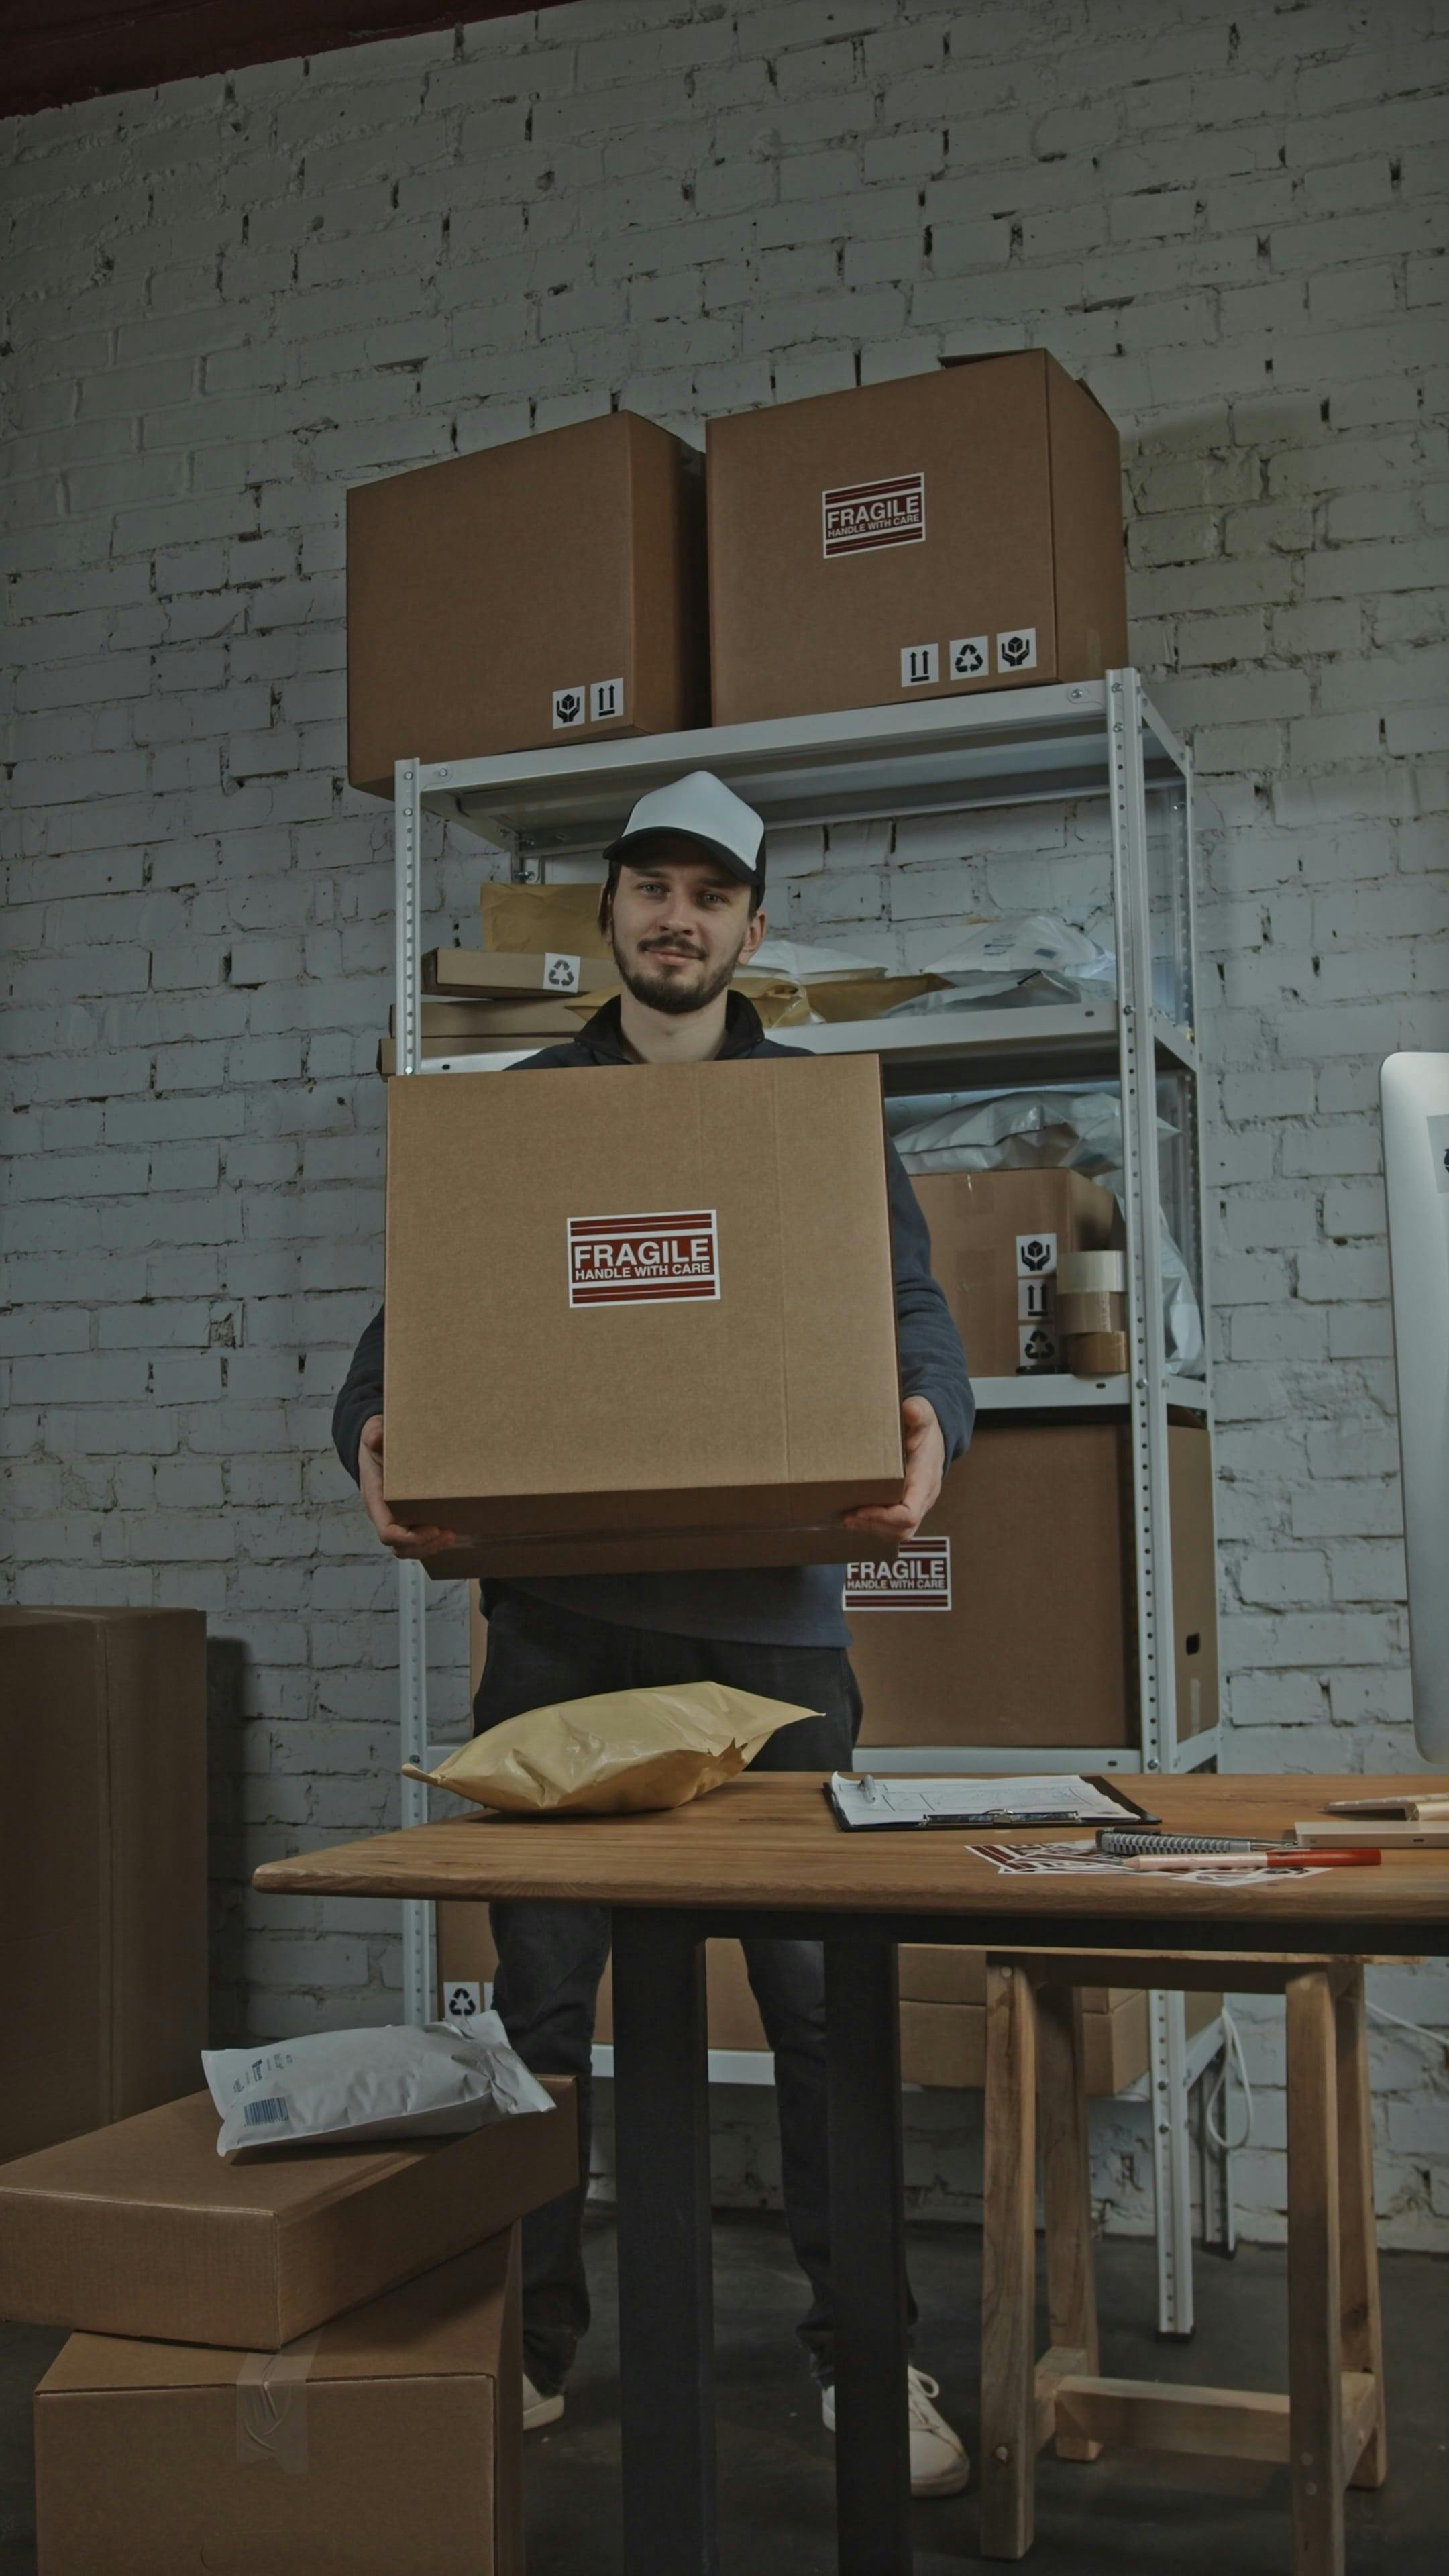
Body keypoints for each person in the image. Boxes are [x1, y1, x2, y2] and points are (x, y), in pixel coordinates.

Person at [333, 769, 975, 2497]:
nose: (676, 918)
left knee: (826, 2012)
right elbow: (407, 1346)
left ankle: (870, 2363)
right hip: (561, 1631)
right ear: (610, 909)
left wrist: (936, 1419)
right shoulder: (518, 1120)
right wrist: (373, 1436)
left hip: (774, 1638)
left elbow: (915, 1316)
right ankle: (535, 2346)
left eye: (711, 893)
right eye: (650, 887)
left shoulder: (816, 1119)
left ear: (753, 926)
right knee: (539, 2015)